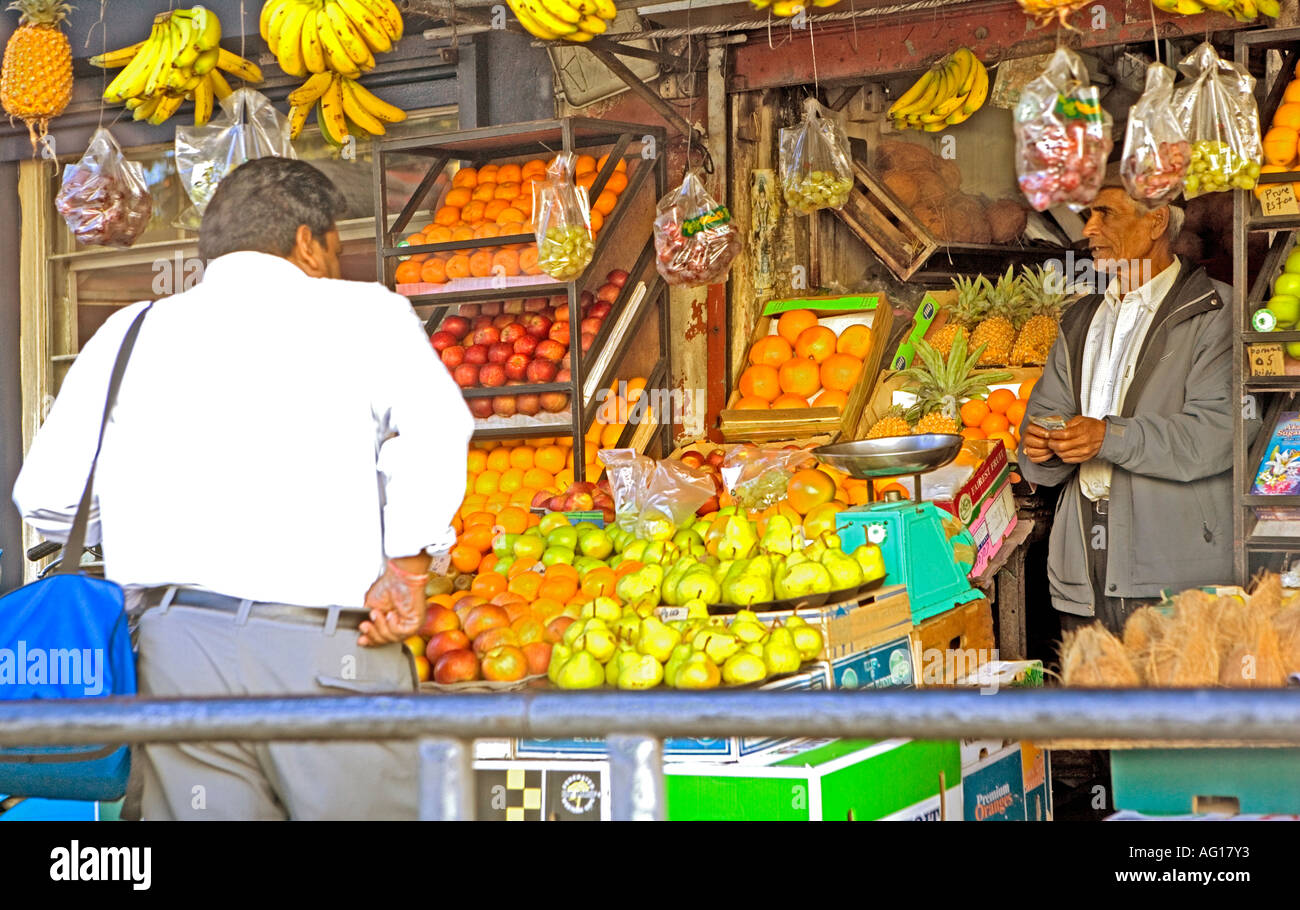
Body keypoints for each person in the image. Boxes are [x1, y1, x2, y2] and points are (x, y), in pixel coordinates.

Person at [12, 157, 473, 820]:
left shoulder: (129, 332)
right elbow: (433, 433)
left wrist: (160, 515)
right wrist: (406, 569)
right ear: (306, 242)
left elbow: (48, 496)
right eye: (336, 250)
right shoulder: (364, 316)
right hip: (325, 653)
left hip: (178, 657)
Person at [1018, 169, 1239, 637]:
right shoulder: (1080, 318)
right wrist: (1039, 447)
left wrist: (1107, 436)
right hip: (1082, 574)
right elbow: (1043, 417)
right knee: (1091, 705)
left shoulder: (1215, 314)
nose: (1088, 230)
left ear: (1157, 222)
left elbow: (1216, 435)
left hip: (1175, 574)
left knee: (1176, 706)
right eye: (1088, 215)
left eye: (1105, 214)